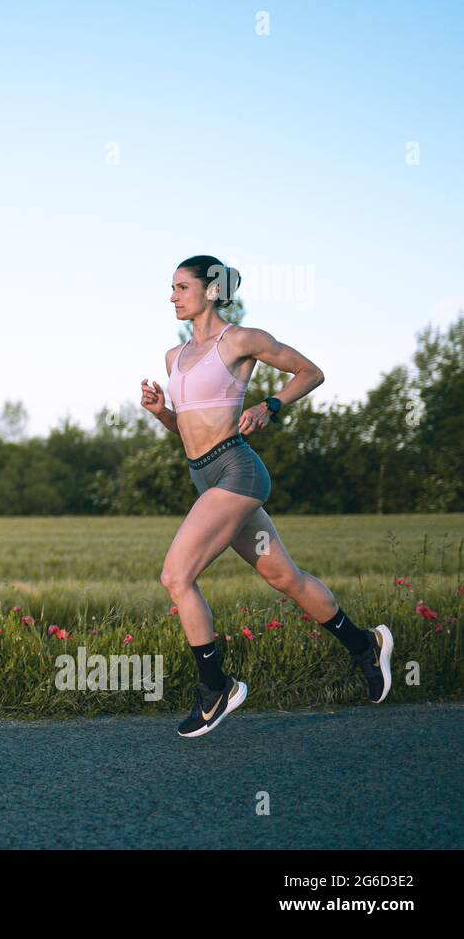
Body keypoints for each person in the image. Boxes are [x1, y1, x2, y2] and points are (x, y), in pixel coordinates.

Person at [139, 255, 393, 738]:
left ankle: (216, 689)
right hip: (204, 474)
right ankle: (366, 645)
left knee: (176, 576)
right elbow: (187, 433)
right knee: (286, 578)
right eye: (171, 288)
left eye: (180, 286)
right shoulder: (173, 358)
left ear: (211, 290)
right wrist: (161, 413)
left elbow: (310, 372)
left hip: (238, 471)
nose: (172, 296)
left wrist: (270, 405)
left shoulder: (240, 340)